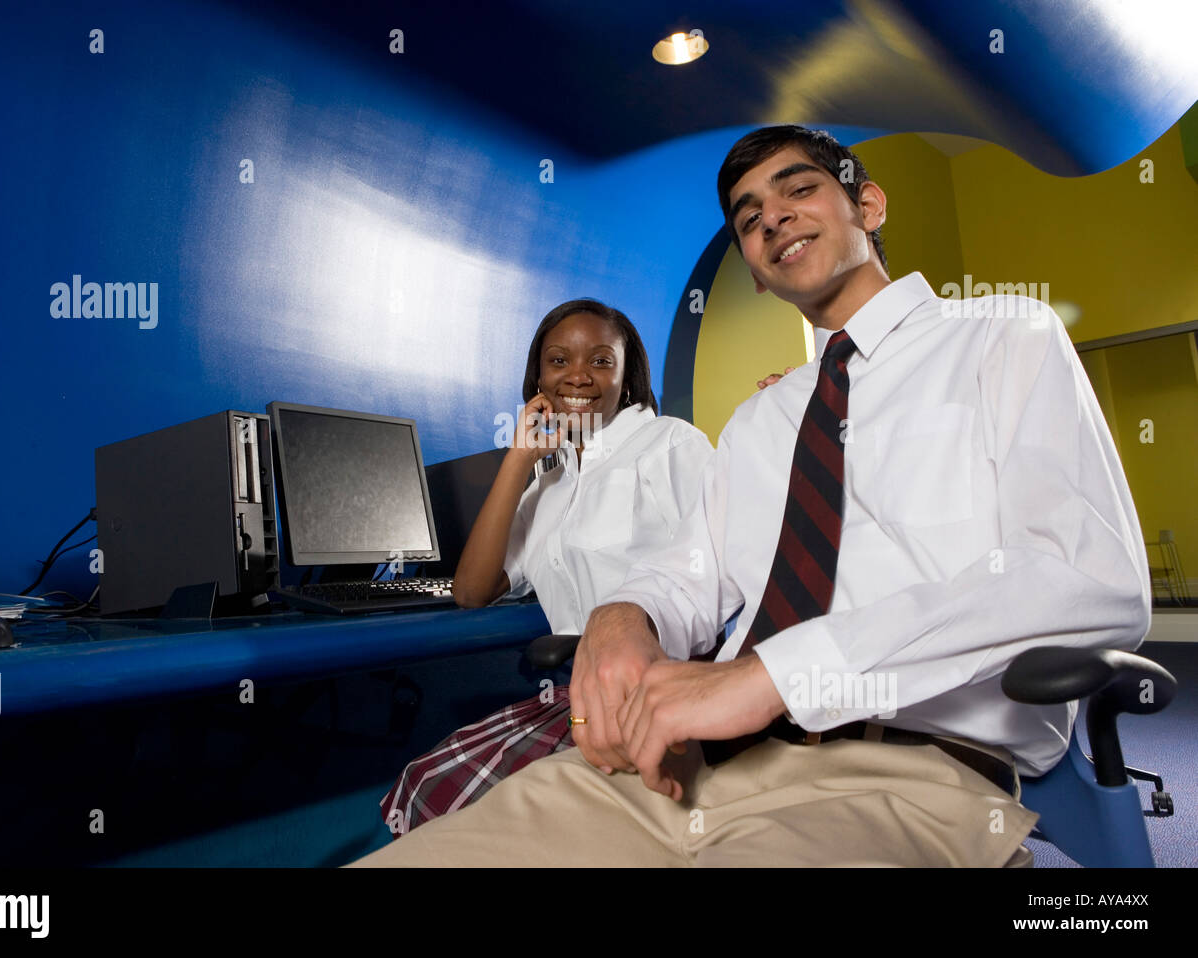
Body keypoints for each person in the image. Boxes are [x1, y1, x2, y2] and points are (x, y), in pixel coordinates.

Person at [352, 125, 1150, 867]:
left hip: (910, 776)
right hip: (693, 766)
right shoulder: (762, 420)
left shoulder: (1005, 337)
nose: (771, 219)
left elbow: (1084, 578)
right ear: (757, 273)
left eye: (797, 191)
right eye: (748, 217)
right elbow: (689, 574)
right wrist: (626, 615)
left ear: (867, 204)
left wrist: (774, 675)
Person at [378, 298, 718, 836]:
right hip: (574, 696)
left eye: (601, 361)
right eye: (559, 361)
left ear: (627, 377)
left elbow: (727, 571)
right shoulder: (550, 483)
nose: (579, 376)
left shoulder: (671, 443)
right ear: (538, 377)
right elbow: (471, 590)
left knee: (466, 814)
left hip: (659, 688)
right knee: (422, 786)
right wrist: (518, 459)